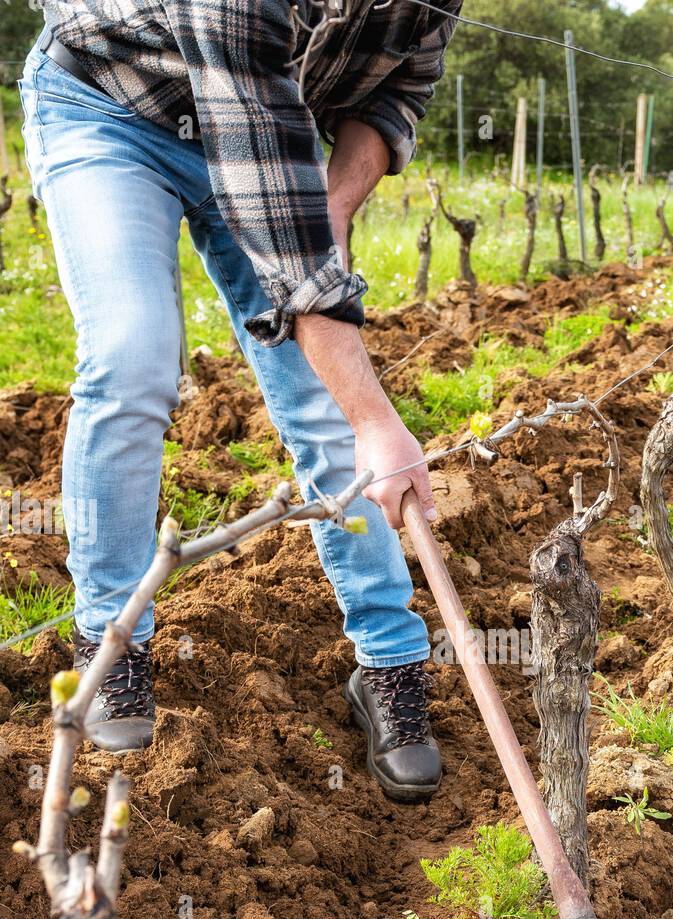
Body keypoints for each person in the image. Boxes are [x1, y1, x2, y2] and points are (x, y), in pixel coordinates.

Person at [19, 1, 462, 804]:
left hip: (263, 130)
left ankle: (389, 663)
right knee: (131, 359)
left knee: (320, 398)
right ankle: (112, 642)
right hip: (108, 107)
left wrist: (333, 205)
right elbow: (264, 178)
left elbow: (396, 92)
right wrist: (376, 416)